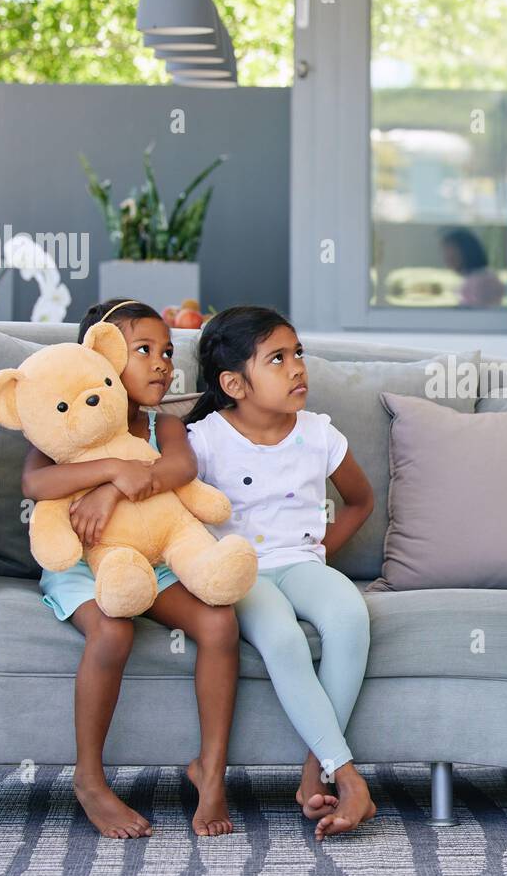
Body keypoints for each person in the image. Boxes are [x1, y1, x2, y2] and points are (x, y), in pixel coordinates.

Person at [23, 298, 241, 840]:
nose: (162, 363)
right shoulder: (62, 416)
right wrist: (113, 471)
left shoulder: (159, 424)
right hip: (81, 562)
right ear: (97, 357)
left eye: (167, 351)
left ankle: (210, 770)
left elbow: (180, 467)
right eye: (143, 350)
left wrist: (108, 491)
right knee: (113, 630)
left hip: (154, 561)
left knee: (220, 622)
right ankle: (90, 779)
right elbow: (37, 485)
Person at [183, 305, 378, 840]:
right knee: (283, 640)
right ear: (234, 383)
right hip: (242, 575)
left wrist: (319, 554)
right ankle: (349, 776)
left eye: (298, 354)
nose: (296, 367)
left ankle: (315, 771)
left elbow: (360, 501)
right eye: (277, 358)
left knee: (349, 617)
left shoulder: (318, 433)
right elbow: (177, 515)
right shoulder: (205, 440)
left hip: (302, 564)